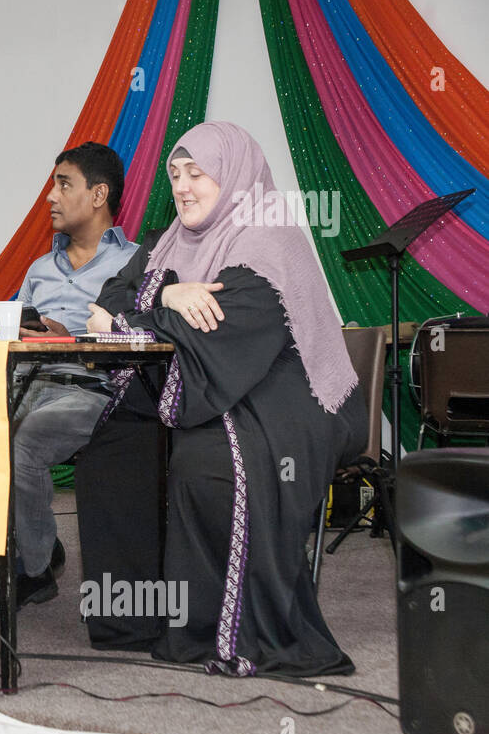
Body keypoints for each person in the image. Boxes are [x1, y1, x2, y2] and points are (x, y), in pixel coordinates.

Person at [78, 121, 366, 676]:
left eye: (198, 173)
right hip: (212, 382)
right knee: (112, 435)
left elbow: (214, 332)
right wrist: (168, 293)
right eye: (175, 174)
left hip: (287, 398)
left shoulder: (267, 239)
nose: (183, 187)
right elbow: (112, 295)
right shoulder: (170, 242)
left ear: (233, 175)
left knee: (207, 460)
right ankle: (134, 617)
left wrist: (138, 314)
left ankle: (215, 629)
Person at [0, 143, 138, 615]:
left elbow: (143, 337)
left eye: (64, 184)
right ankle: (9, 553)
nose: (51, 196)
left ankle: (33, 569)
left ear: (99, 194)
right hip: (27, 379)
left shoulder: (135, 263)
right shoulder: (39, 269)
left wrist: (73, 337)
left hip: (91, 388)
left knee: (23, 442)